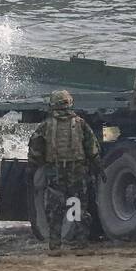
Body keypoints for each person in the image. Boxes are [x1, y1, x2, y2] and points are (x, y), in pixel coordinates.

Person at [27, 90, 101, 255]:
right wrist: (98, 166)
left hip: (55, 171)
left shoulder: (46, 125)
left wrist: (31, 168)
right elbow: (92, 148)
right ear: (69, 103)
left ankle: (55, 245)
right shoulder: (81, 123)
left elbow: (35, 149)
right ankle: (81, 244)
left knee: (55, 208)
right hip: (77, 170)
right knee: (78, 206)